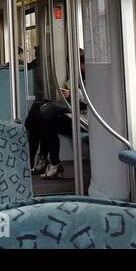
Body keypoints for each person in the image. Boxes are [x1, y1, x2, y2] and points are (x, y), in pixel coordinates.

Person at [24, 49, 86, 180]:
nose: (78, 66)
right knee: (37, 112)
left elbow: (87, 99)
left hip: (82, 116)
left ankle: (41, 160)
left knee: (45, 119)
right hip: (75, 110)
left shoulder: (92, 78)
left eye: (80, 62)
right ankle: (41, 158)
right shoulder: (78, 76)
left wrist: (74, 93)